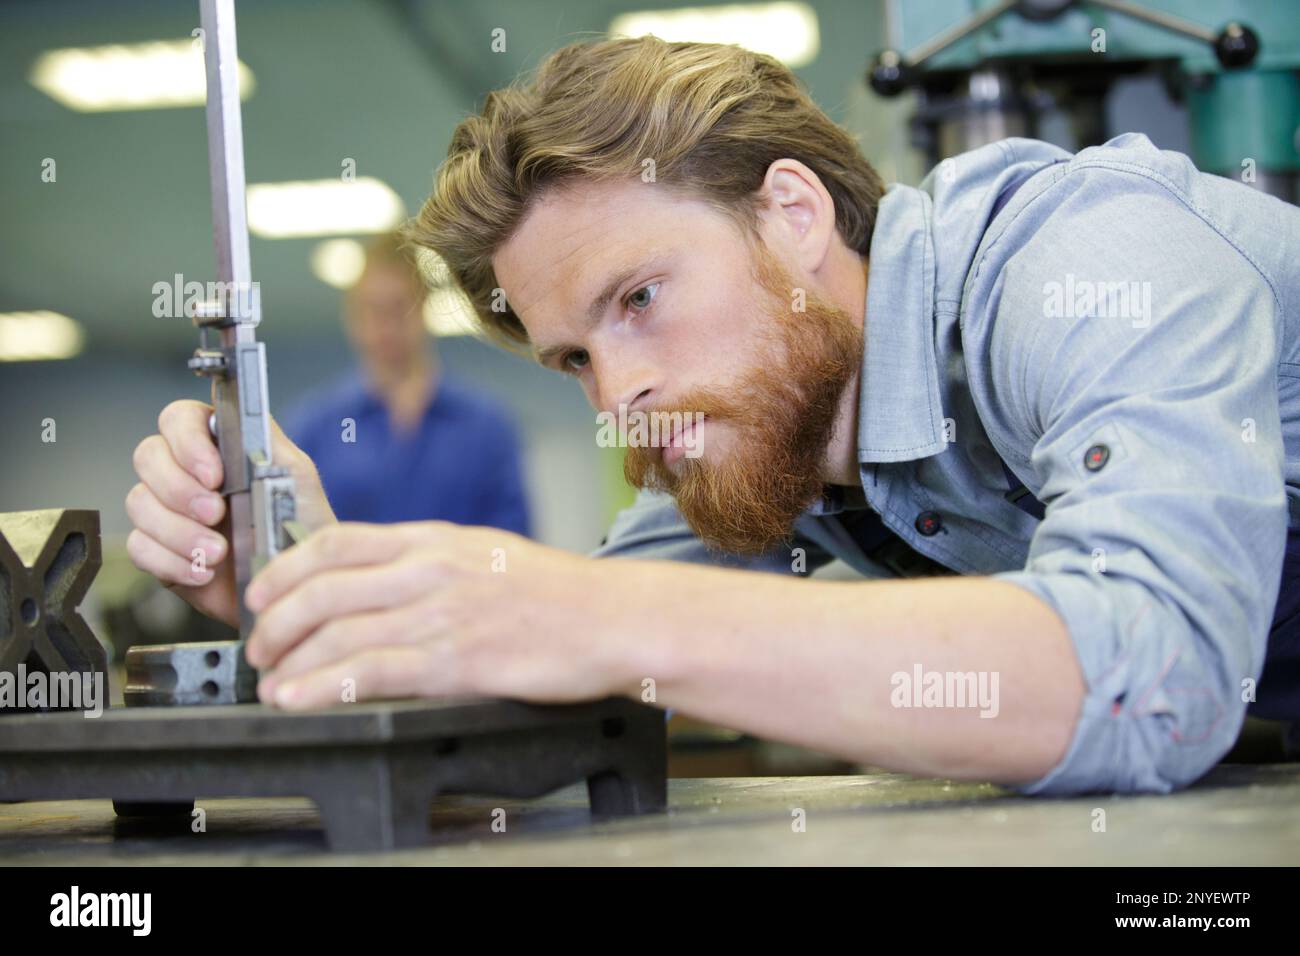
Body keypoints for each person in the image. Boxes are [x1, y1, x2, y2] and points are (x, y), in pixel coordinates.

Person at [125, 36, 1300, 796]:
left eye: (639, 298)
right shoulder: (756, 431)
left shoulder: (1083, 258)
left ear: (791, 213)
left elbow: (1159, 676)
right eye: (574, 355)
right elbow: (566, 692)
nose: (615, 393)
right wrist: (323, 590)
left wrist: (612, 611)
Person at [281, 232, 531, 534]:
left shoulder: (485, 427)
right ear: (353, 317)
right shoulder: (315, 428)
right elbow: (294, 536)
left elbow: (513, 541)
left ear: (423, 307)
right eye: (373, 310)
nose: (385, 327)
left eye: (399, 308)